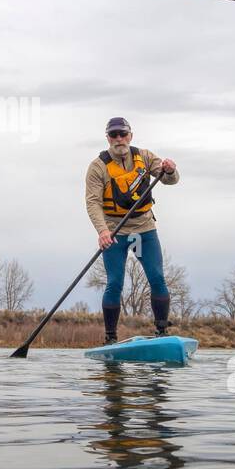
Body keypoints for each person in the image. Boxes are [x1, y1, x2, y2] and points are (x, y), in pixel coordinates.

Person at [84, 116, 179, 344]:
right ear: (108, 138)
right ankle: (110, 338)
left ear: (130, 135)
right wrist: (102, 231)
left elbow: (170, 180)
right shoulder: (98, 167)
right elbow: (92, 202)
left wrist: (170, 170)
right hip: (115, 232)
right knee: (115, 281)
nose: (119, 139)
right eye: (114, 135)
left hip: (144, 228)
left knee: (156, 277)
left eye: (123, 134)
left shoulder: (144, 157)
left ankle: (161, 332)